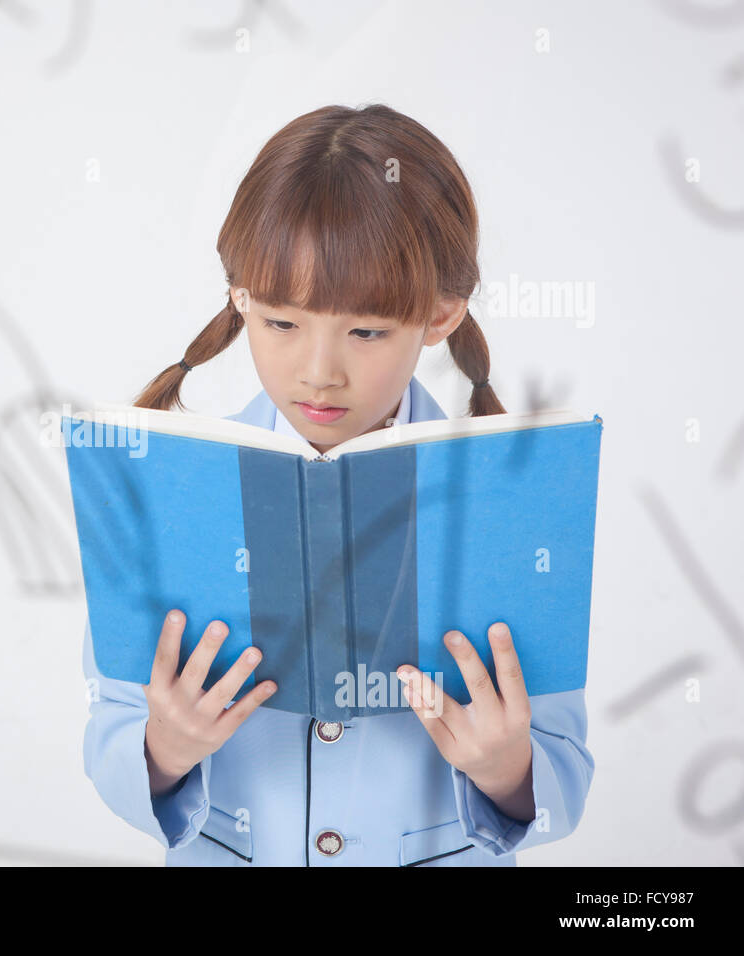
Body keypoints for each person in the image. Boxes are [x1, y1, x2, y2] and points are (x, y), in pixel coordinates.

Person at [79, 103, 594, 866]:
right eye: (282, 323)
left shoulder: (506, 496)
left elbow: (564, 781)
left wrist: (507, 770)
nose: (319, 372)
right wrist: (164, 748)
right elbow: (109, 725)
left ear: (441, 314)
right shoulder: (171, 481)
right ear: (240, 302)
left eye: (366, 332)